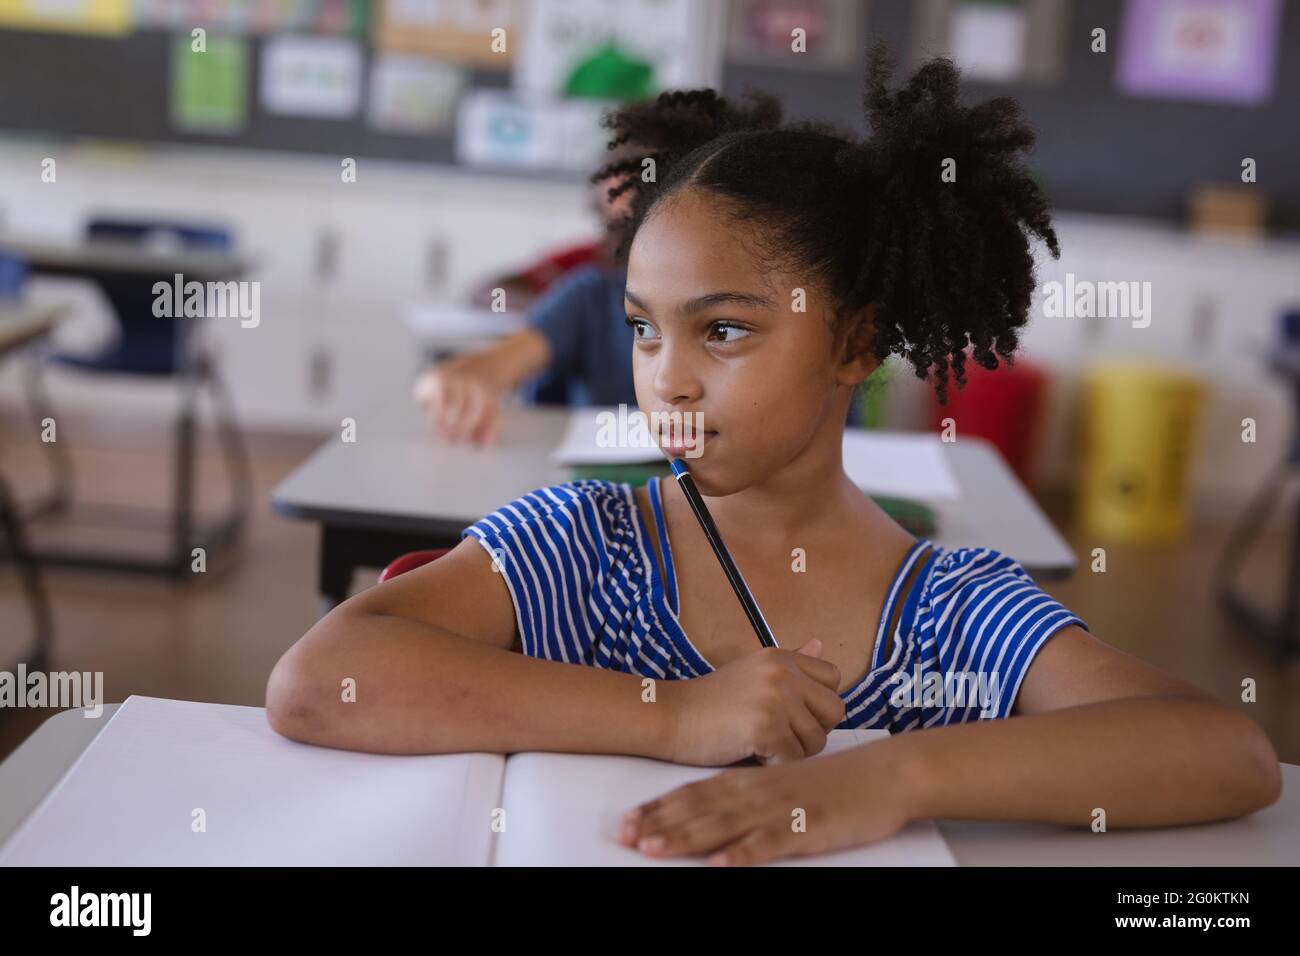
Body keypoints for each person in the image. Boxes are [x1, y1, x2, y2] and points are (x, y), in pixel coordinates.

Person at [267, 48, 1280, 866]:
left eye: (724, 332)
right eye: (644, 330)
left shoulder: (951, 608)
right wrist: (676, 716)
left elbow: (1226, 752)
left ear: (854, 342)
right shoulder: (583, 541)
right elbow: (320, 681)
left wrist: (885, 776)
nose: (666, 379)